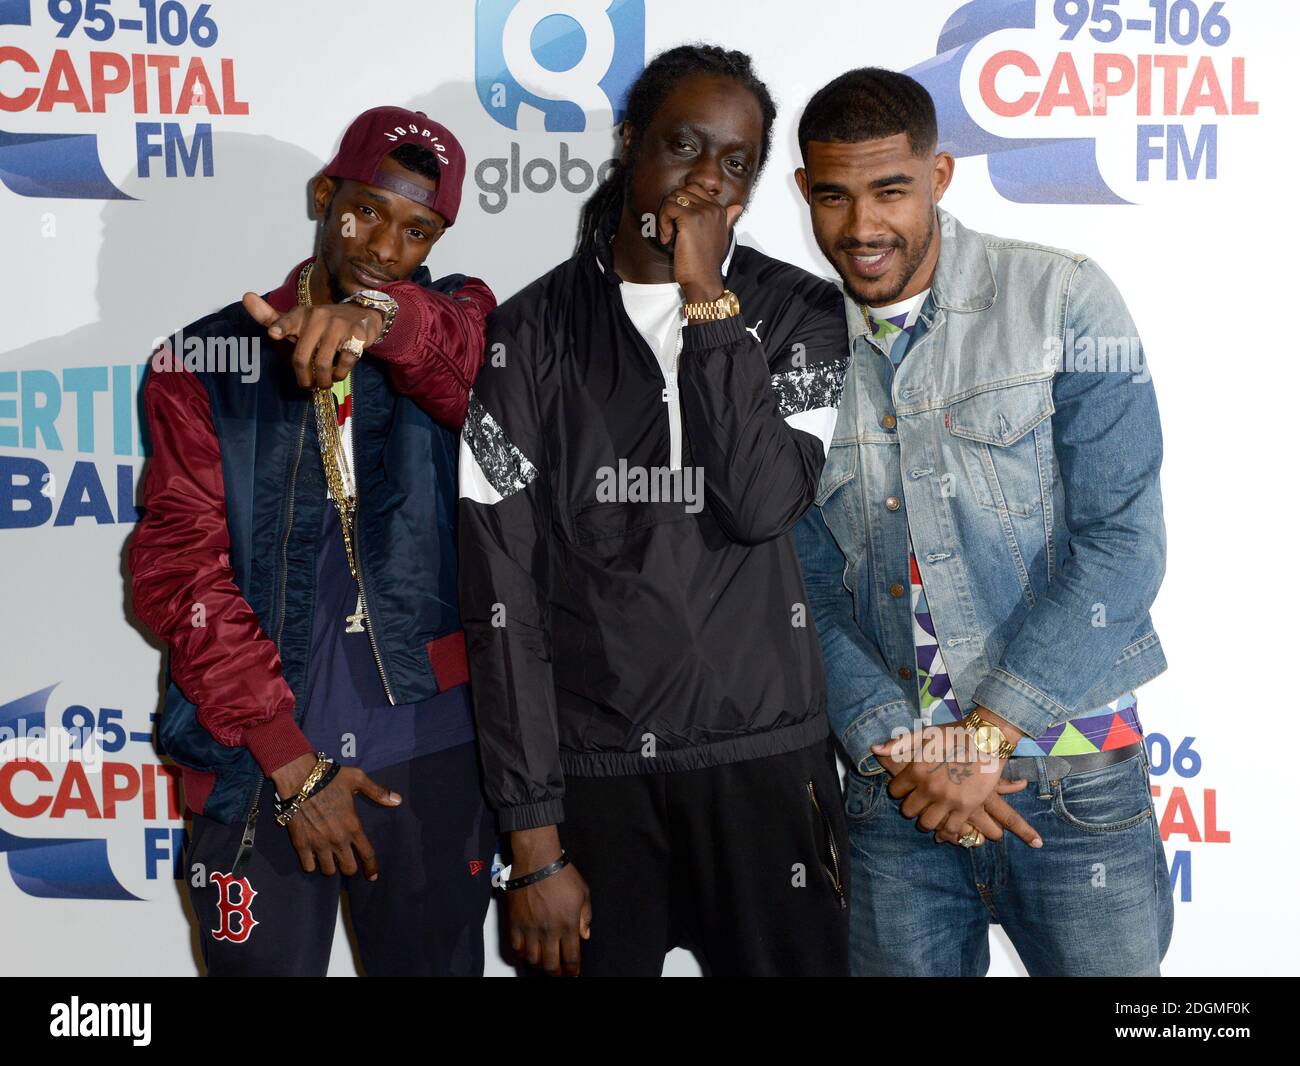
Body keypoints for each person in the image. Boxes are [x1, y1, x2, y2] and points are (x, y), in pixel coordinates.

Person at [458, 45, 850, 977]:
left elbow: (761, 504)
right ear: (630, 141)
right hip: (596, 783)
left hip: (764, 766)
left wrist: (711, 304)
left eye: (736, 163)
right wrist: (533, 839)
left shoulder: (801, 315)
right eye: (683, 145)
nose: (707, 181)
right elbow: (499, 595)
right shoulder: (524, 337)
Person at [792, 67, 1174, 976]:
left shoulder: (1063, 298)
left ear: (942, 175)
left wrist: (982, 737)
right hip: (897, 794)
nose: (862, 228)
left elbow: (1124, 545)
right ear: (804, 189)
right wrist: (905, 746)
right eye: (834, 196)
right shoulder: (790, 347)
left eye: (892, 190)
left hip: (1074, 783)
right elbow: (797, 580)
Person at [129, 106, 497, 976]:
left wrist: (382, 321)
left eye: (417, 230)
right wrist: (292, 765)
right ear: (324, 195)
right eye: (366, 210)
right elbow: (178, 574)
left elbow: (459, 360)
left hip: (428, 753)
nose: (382, 244)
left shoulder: (458, 324)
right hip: (259, 760)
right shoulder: (205, 360)